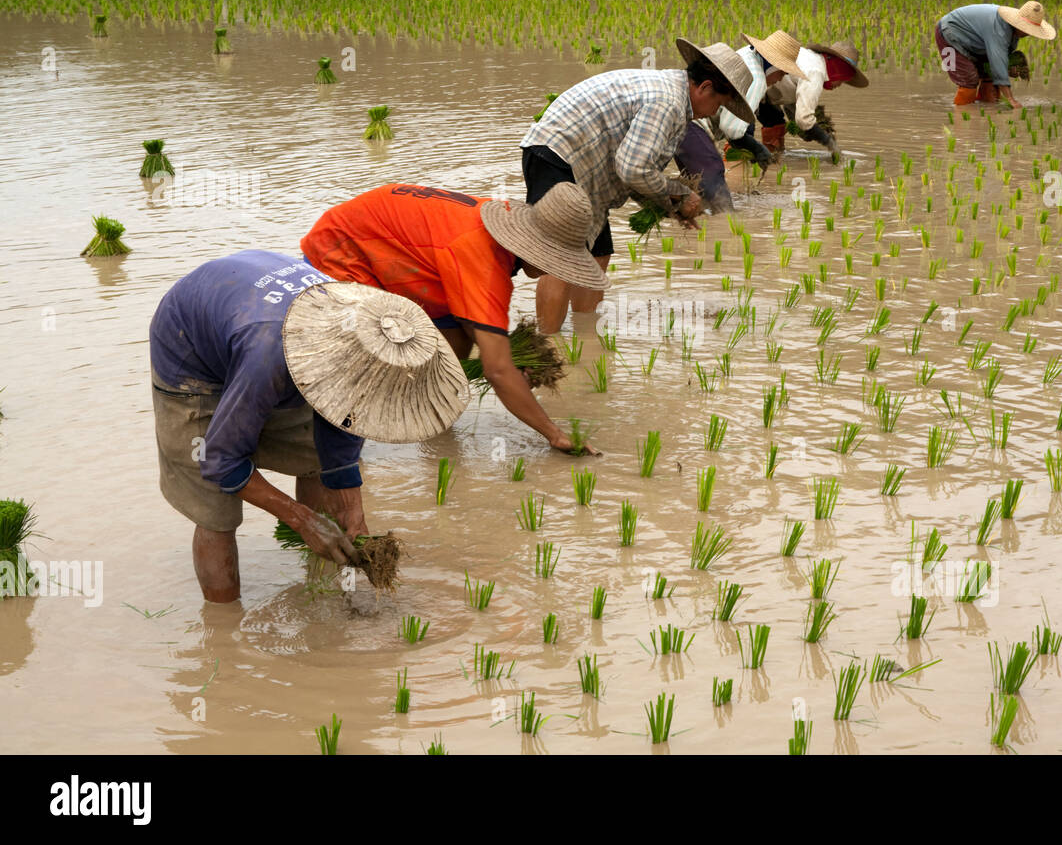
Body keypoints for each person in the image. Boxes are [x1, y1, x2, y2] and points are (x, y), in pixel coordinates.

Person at [150, 251, 468, 602]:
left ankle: (321, 596)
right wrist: (301, 521)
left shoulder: (363, 330)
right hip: (191, 356)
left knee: (313, 459)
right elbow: (220, 461)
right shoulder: (266, 356)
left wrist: (352, 504)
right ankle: (223, 630)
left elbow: (345, 417)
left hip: (257, 324)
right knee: (216, 510)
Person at [301, 181, 606, 454]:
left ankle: (435, 438)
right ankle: (339, 456)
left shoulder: (498, 228)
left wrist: (510, 359)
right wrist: (554, 434)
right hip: (343, 248)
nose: (554, 270)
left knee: (453, 351)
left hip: (418, 261)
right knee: (367, 362)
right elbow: (496, 370)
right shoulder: (482, 257)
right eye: (554, 259)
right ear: (533, 244)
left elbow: (484, 338)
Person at [520, 38, 755, 334]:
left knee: (598, 253)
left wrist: (672, 207)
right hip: (558, 155)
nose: (711, 113)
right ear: (705, 87)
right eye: (717, 105)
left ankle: (583, 333)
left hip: (588, 172)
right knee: (561, 255)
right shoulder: (668, 102)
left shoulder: (674, 97)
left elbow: (635, 174)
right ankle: (548, 344)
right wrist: (681, 195)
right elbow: (633, 169)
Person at [678, 30, 808, 208]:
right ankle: (728, 233)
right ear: (775, 66)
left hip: (679, 120)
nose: (779, 80)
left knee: (697, 197)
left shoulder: (745, 54)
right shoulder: (757, 78)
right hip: (693, 126)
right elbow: (732, 130)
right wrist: (758, 148)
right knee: (721, 203)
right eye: (783, 73)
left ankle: (692, 233)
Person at [757, 40, 868, 163]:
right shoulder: (816, 71)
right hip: (752, 89)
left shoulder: (811, 59)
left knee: (775, 123)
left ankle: (770, 164)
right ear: (839, 70)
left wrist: (808, 129)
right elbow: (804, 120)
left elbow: (791, 102)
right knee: (738, 138)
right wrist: (828, 142)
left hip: (765, 95)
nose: (840, 84)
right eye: (842, 79)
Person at [935, 0, 1056, 107]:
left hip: (976, 42)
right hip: (948, 34)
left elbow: (1001, 57)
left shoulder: (1012, 31)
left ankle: (986, 111)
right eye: (1027, 29)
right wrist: (1010, 99)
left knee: (989, 76)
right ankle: (962, 117)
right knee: (969, 80)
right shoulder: (999, 31)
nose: (1028, 33)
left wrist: (1009, 69)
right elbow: (998, 63)